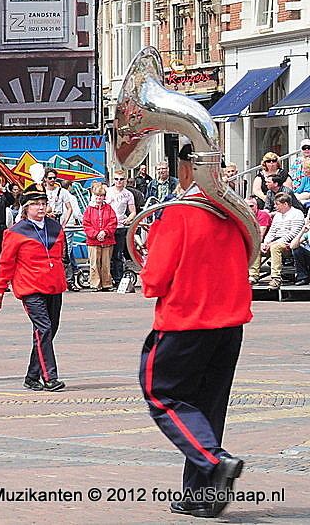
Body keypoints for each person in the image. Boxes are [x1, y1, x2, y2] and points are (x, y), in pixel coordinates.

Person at [138, 144, 249, 518]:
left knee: (161, 394)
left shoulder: (180, 212)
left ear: (186, 168)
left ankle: (213, 461)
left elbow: (154, 280)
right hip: (230, 322)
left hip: (187, 321)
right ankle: (204, 495)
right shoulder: (233, 210)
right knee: (206, 407)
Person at [0, 180, 68, 392]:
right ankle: (50, 376)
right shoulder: (17, 231)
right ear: (26, 208)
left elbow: (61, 255)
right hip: (30, 287)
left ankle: (32, 376)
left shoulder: (55, 227)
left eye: (43, 202)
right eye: (35, 204)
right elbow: (6, 262)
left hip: (54, 285)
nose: (41, 207)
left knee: (48, 331)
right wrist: (0, 289)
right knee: (43, 328)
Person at [253, 193, 303, 288]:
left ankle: (276, 278)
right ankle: (253, 275)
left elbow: (294, 233)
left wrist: (274, 243)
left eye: (277, 204)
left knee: (275, 247)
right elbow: (272, 232)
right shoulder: (277, 216)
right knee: (258, 246)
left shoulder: (297, 214)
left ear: (285, 204)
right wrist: (266, 242)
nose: (275, 206)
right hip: (275, 241)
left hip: (290, 243)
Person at [82, 183, 117, 291]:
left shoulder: (109, 208)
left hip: (107, 240)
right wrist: (96, 234)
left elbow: (113, 222)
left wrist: (105, 232)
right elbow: (86, 224)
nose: (99, 198)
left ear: (104, 197)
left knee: (106, 263)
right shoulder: (89, 209)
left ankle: (106, 283)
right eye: (97, 195)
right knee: (94, 264)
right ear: (94, 195)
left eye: (101, 196)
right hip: (93, 241)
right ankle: (95, 284)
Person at [106, 170, 138, 286]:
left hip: (120, 226)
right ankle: (107, 279)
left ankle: (118, 279)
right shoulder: (107, 191)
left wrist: (128, 220)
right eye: (116, 179)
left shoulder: (128, 194)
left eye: (121, 179)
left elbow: (133, 211)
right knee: (106, 254)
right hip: (107, 226)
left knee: (118, 254)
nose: (119, 182)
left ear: (125, 180)